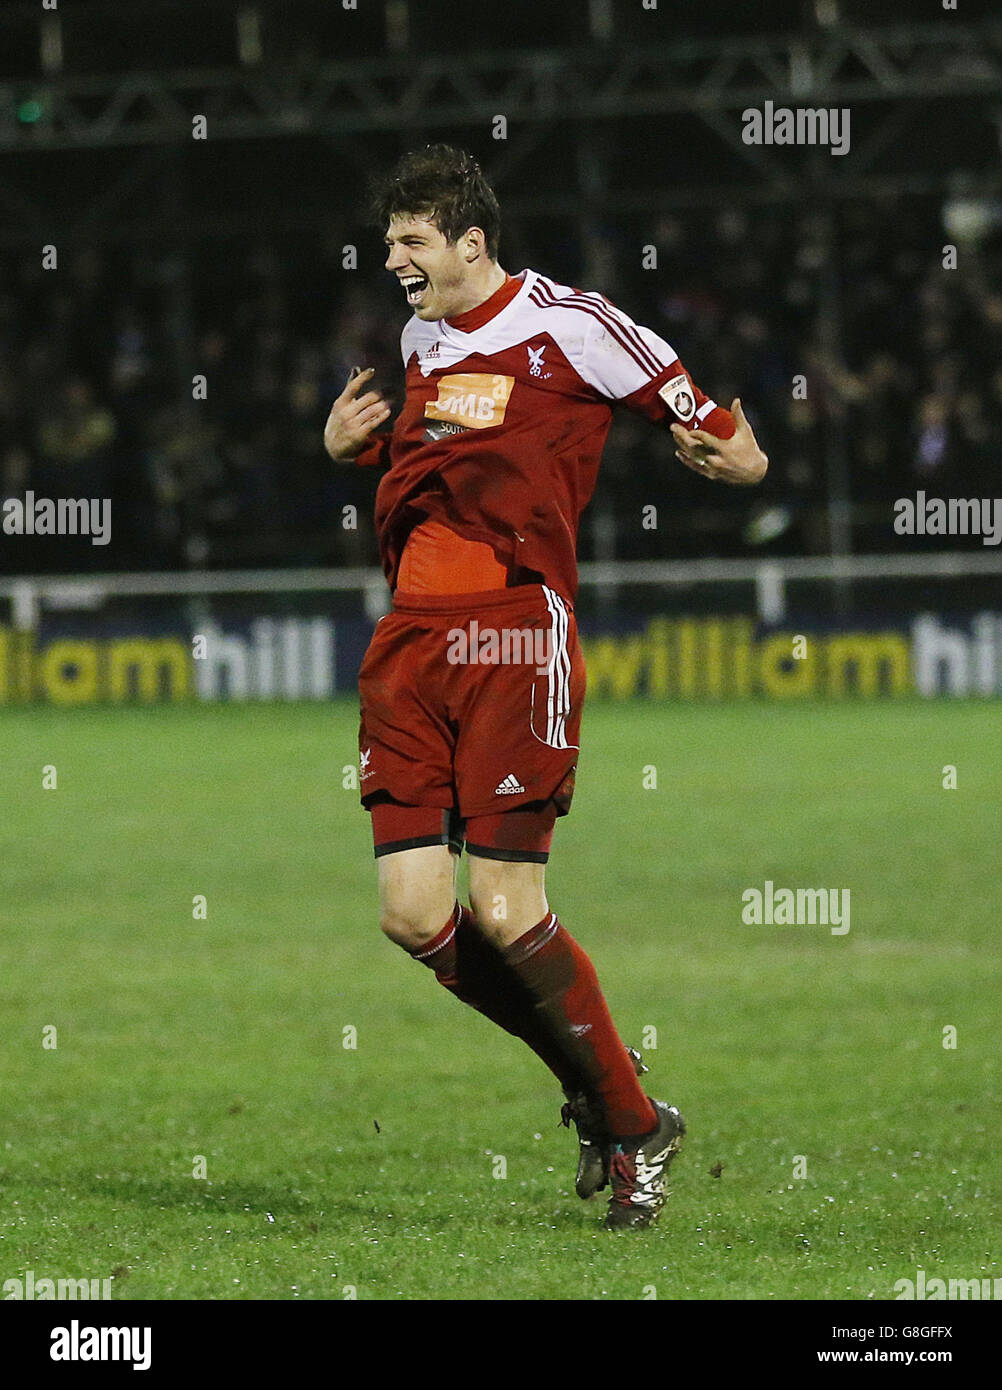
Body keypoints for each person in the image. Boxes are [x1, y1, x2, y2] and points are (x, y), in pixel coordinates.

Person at [324, 145, 767, 1229]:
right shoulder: (418, 337)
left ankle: (633, 1126)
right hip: (410, 640)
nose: (393, 259)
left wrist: (736, 452)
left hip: (516, 631)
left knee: (505, 905)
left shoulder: (575, 325)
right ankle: (598, 1084)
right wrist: (339, 449)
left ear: (472, 241)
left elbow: (697, 415)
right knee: (414, 914)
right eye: (391, 242)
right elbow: (425, 467)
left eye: (411, 241)